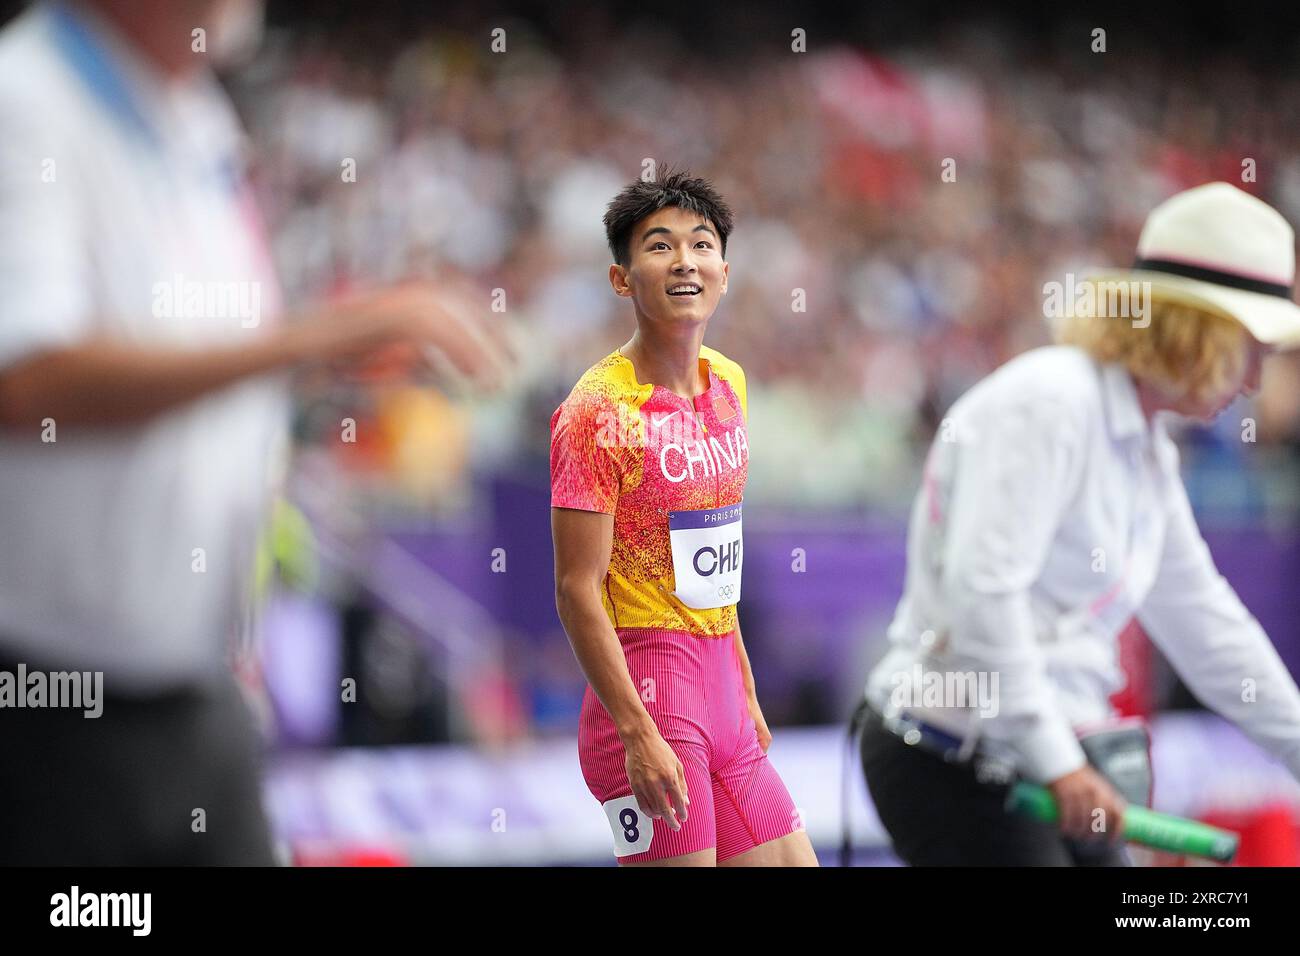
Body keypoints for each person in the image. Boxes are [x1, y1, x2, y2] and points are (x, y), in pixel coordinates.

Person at [0, 0, 501, 865]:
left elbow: (202, 363)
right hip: (55, 713)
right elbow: (27, 380)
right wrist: (321, 336)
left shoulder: (191, 114)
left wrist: (322, 355)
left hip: (197, 695)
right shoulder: (27, 99)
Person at [856, 181, 1300, 866]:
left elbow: (1208, 624)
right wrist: (1059, 762)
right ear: (1199, 332)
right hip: (957, 765)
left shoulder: (1147, 449)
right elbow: (985, 597)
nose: (1251, 384)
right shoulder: (1053, 403)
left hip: (1047, 766)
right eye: (1251, 351)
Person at [551, 171, 817, 866]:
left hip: (723, 694)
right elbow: (577, 587)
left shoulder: (730, 382)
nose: (684, 261)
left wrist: (745, 684)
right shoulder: (595, 412)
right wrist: (638, 733)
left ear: (723, 273)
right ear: (621, 278)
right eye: (659, 246)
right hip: (648, 702)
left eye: (700, 245)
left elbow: (714, 555)